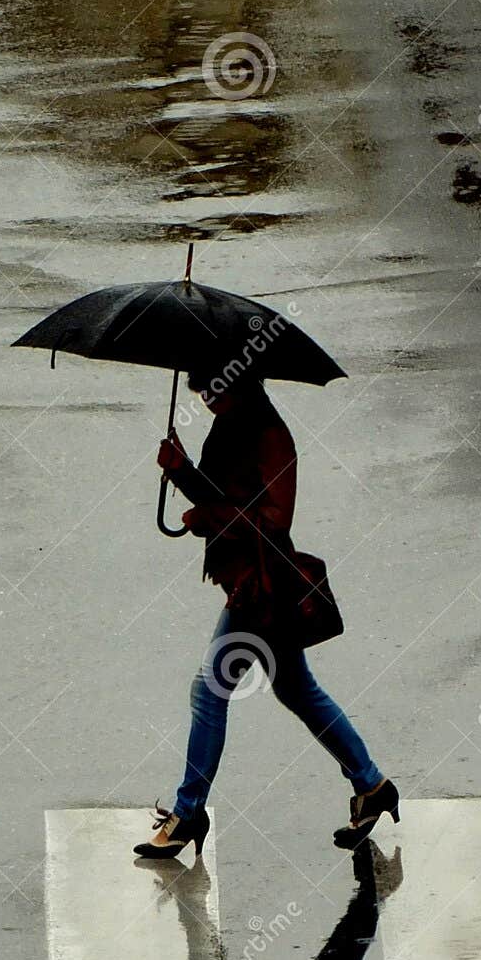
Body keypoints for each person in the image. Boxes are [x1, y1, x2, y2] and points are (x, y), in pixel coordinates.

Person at [134, 364, 397, 859]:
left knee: (210, 691)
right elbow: (223, 494)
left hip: (262, 587)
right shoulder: (230, 424)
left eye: (214, 389)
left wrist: (209, 516)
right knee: (297, 690)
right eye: (201, 392)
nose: (206, 399)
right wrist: (182, 471)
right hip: (247, 581)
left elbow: (276, 521)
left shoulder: (271, 435)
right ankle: (372, 785)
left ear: (239, 382)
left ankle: (188, 813)